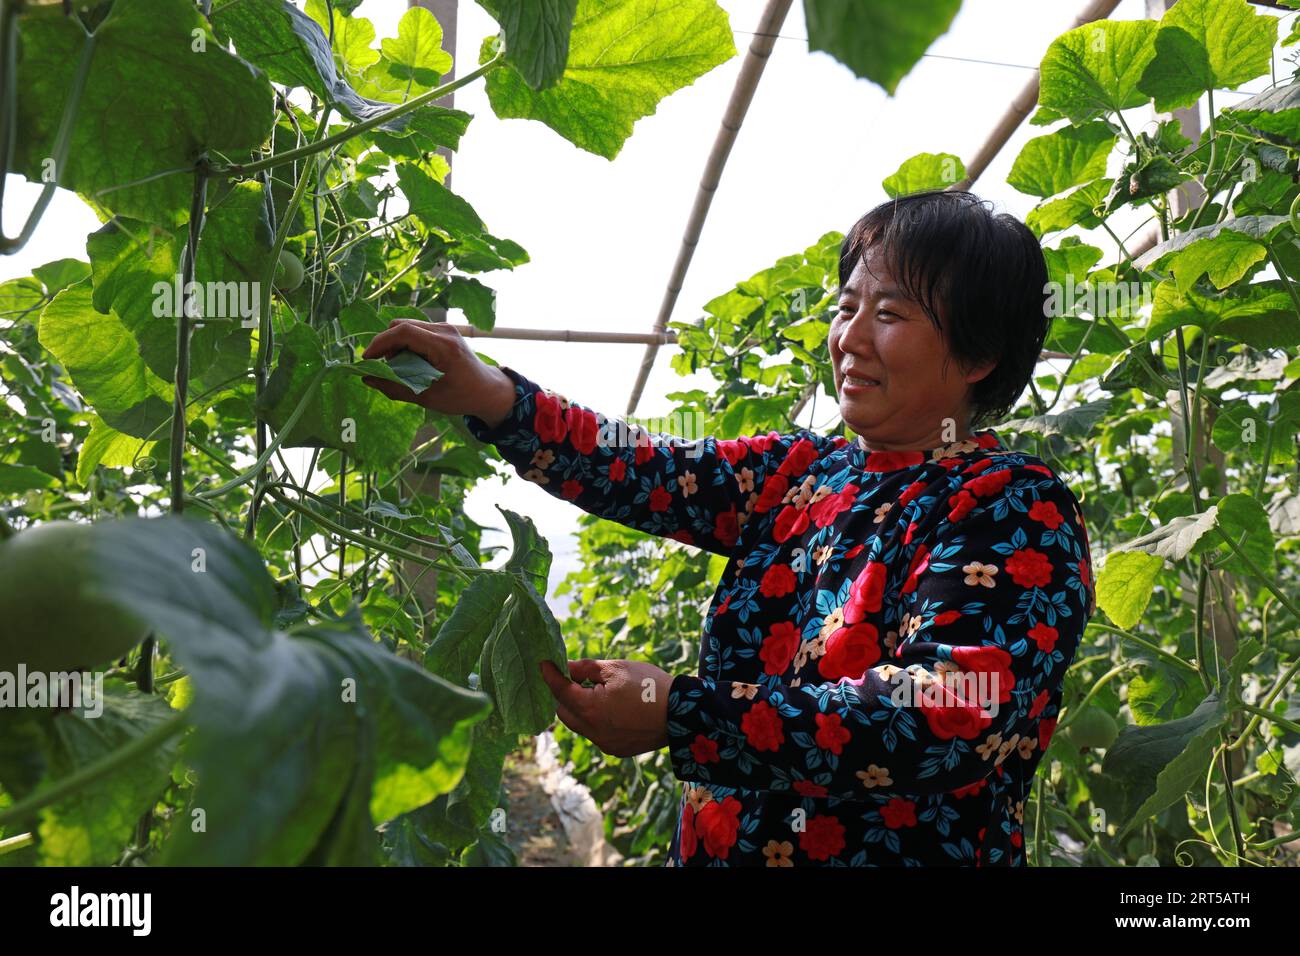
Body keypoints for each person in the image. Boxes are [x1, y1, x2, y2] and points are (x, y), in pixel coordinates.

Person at [362, 189, 1096, 867]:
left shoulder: (1009, 505)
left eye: (891, 314)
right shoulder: (803, 472)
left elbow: (945, 711)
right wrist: (491, 395)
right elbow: (646, 469)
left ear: (979, 355)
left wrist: (681, 715)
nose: (851, 337)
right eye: (847, 307)